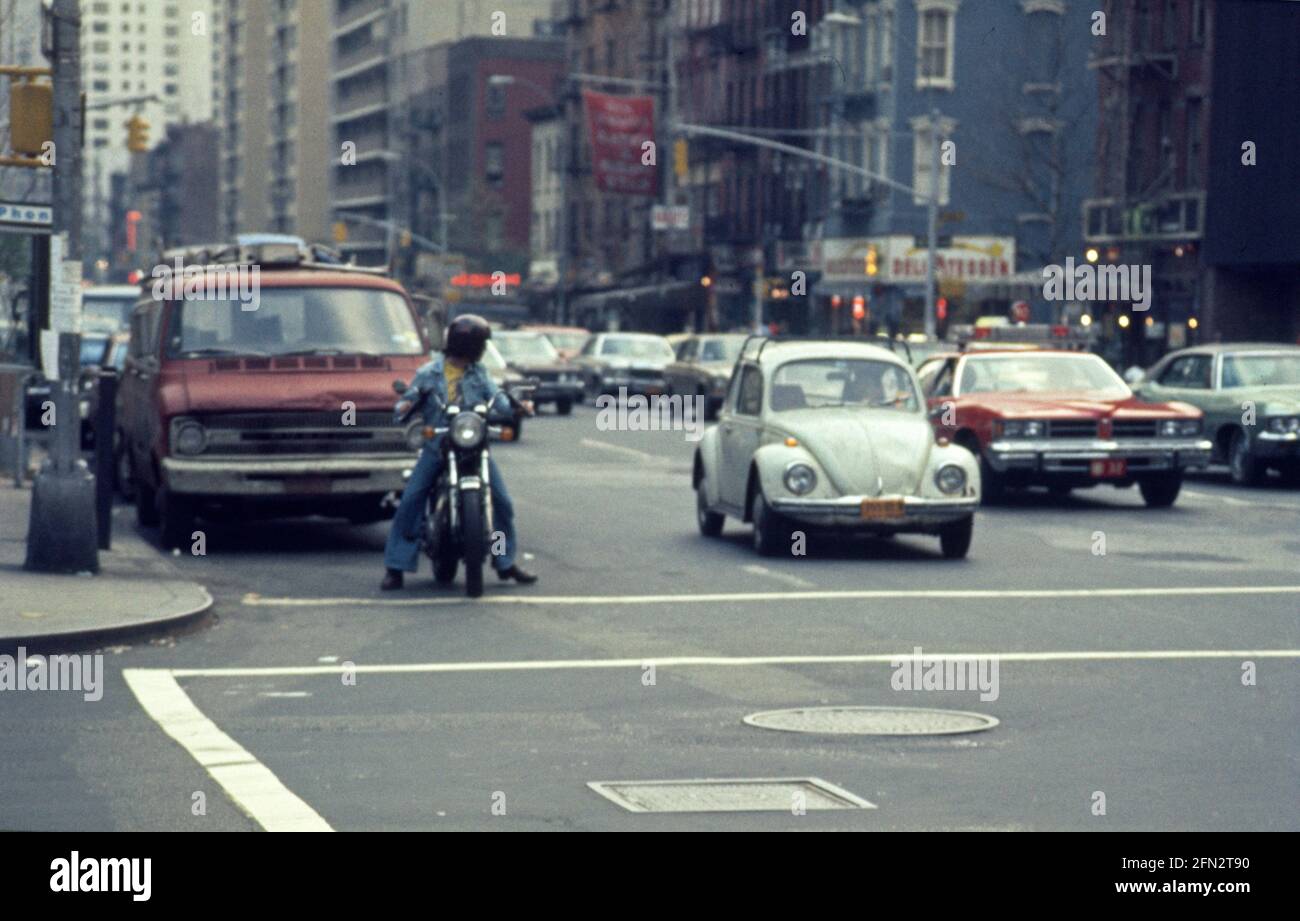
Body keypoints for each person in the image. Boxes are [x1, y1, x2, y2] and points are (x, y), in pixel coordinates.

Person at [381, 314, 537, 590]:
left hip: (473, 446)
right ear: (470, 344)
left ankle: (505, 562)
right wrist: (405, 406)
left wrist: (515, 407)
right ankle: (396, 566)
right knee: (411, 499)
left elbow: (496, 397)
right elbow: (409, 399)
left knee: (502, 502)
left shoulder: (479, 373)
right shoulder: (429, 373)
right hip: (437, 446)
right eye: (481, 343)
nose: (484, 349)